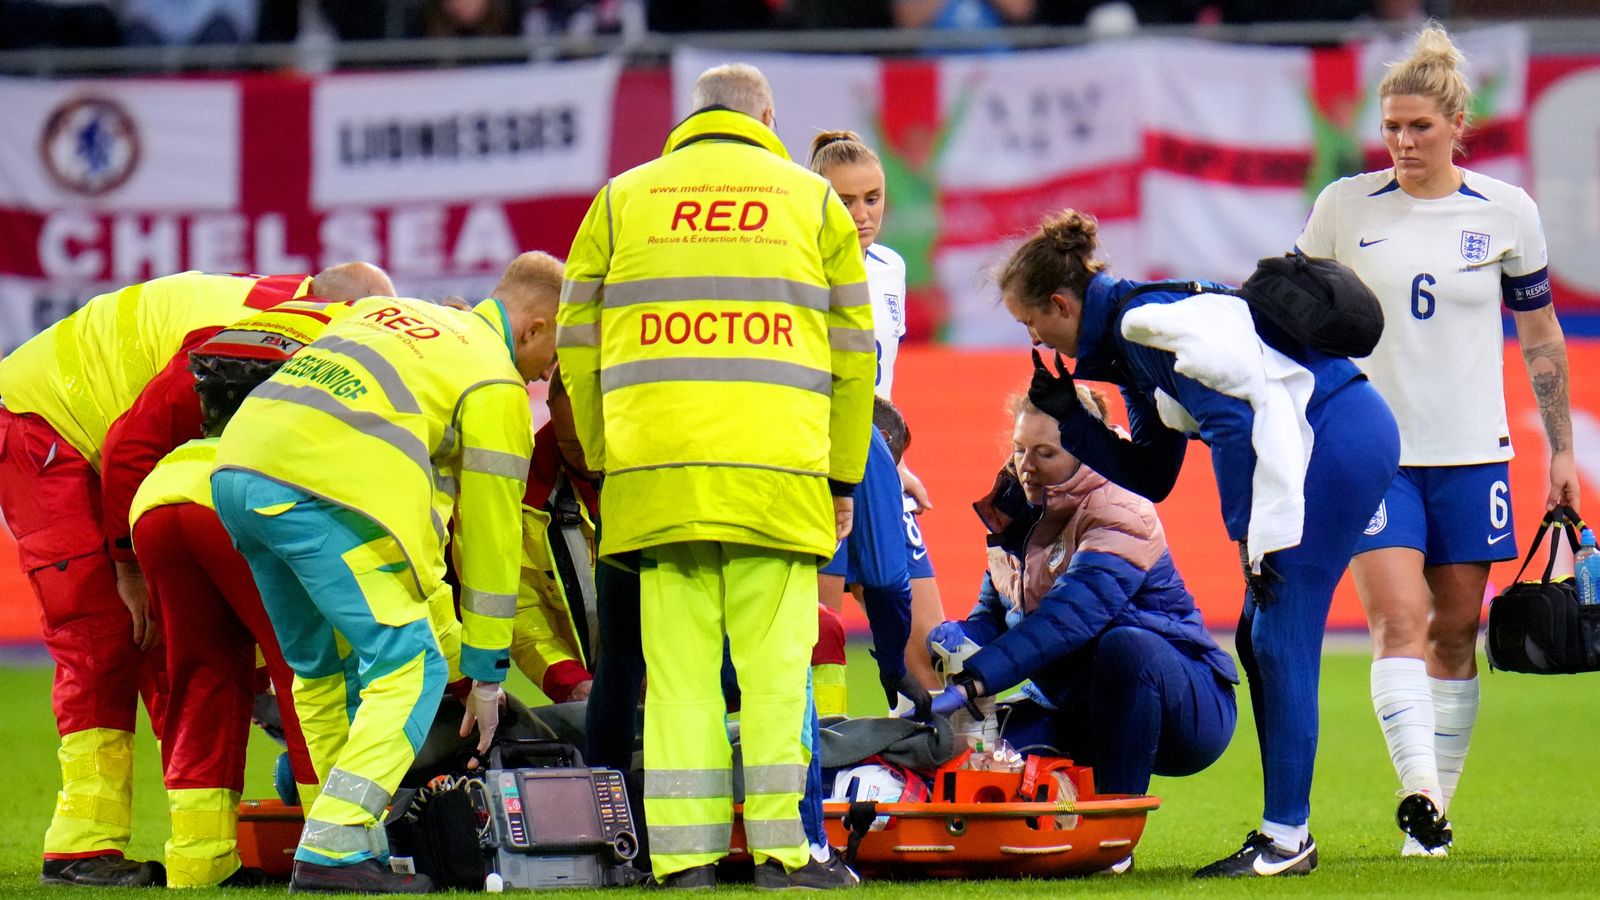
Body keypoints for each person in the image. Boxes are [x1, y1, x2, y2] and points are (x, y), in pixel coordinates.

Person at [1000, 209, 1399, 877]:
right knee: (1260, 638)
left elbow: (1234, 424)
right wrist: (1074, 420)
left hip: (1334, 439)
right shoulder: (1131, 335)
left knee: (1279, 636)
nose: (1034, 336)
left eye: (1030, 321)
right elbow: (1154, 475)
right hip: (1331, 434)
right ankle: (1284, 832)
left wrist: (1249, 540)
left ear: (1061, 305)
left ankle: (1286, 840)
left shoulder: (1142, 328)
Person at [558, 62, 875, 889]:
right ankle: (783, 854)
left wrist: (609, 456)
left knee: (677, 683)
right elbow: (854, 356)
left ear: (692, 116)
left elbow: (575, 344)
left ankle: (684, 860)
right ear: (765, 117)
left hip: (658, 481)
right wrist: (843, 477)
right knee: (774, 680)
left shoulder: (622, 200)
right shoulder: (811, 202)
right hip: (778, 478)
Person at [1295, 23, 1580, 858]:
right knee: (1399, 619)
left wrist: (1560, 449)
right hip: (1373, 454)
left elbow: (1541, 337)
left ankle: (1431, 826)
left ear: (1459, 125)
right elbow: (1293, 314)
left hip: (1473, 453)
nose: (1403, 141)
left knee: (1456, 632)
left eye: (1420, 126)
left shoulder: (1507, 212)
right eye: (1391, 126)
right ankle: (1417, 786)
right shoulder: (1344, 207)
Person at [0, 266, 380, 888]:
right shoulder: (264, 333)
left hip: (102, 436)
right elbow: (129, 446)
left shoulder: (285, 320)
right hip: (44, 424)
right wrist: (127, 568)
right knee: (100, 639)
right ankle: (81, 849)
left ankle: (202, 856)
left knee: (177, 653)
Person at [211, 252, 561, 894]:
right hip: (322, 493)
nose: (549, 373)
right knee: (410, 666)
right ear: (534, 328)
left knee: (320, 670)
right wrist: (485, 673)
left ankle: (339, 838)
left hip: (238, 471)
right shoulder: (494, 384)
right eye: (555, 355)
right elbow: (491, 539)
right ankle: (337, 848)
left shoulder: (391, 314)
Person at [114, 300, 364, 888]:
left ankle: (198, 863)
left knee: (200, 681)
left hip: (161, 495)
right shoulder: (355, 341)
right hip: (245, 493)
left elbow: (128, 444)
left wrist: (124, 564)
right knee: (308, 673)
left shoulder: (242, 326)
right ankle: (334, 852)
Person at [924, 388, 1236, 806]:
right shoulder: (1018, 509)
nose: (1026, 466)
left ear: (1085, 450)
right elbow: (995, 617)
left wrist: (973, 680)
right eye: (1019, 449)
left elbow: (1065, 620)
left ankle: (1113, 826)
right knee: (982, 767)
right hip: (1076, 703)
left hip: (1187, 710)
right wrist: (958, 640)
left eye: (1045, 453)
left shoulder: (1122, 509)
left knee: (1125, 647)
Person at [807, 130, 946, 692]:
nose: (862, 215)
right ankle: (818, 750)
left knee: (931, 652)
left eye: (872, 198)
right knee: (819, 644)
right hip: (817, 469)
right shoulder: (797, 275)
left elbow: (879, 382)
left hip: (875, 464)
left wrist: (897, 464)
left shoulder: (890, 267)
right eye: (844, 201)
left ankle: (920, 746)